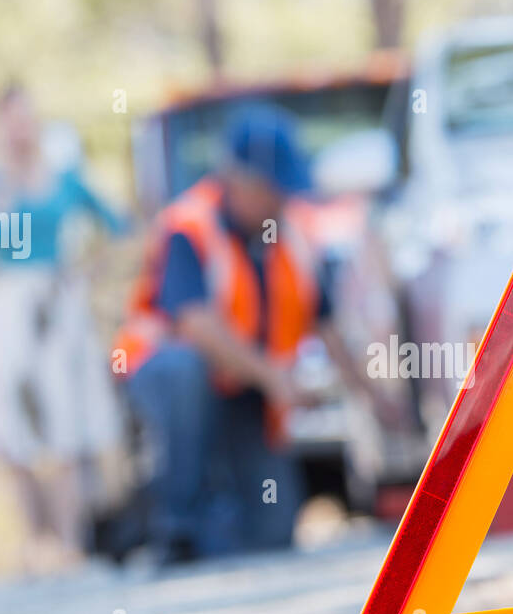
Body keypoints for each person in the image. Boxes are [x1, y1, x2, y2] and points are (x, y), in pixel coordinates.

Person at [115, 104, 387, 563]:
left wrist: (378, 401)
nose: (282, 200)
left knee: (273, 526)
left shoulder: (292, 236)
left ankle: (219, 535)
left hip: (245, 395)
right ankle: (174, 526)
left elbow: (329, 326)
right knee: (184, 371)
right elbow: (196, 325)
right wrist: (274, 378)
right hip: (171, 382)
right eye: (273, 188)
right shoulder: (189, 226)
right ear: (238, 180)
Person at [0, 85, 129, 569]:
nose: (20, 129)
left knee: (67, 416)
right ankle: (36, 541)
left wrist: (89, 274)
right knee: (11, 421)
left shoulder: (65, 176)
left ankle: (73, 540)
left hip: (60, 301)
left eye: (26, 118)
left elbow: (117, 225)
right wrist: (10, 178)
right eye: (10, 120)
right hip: (7, 305)